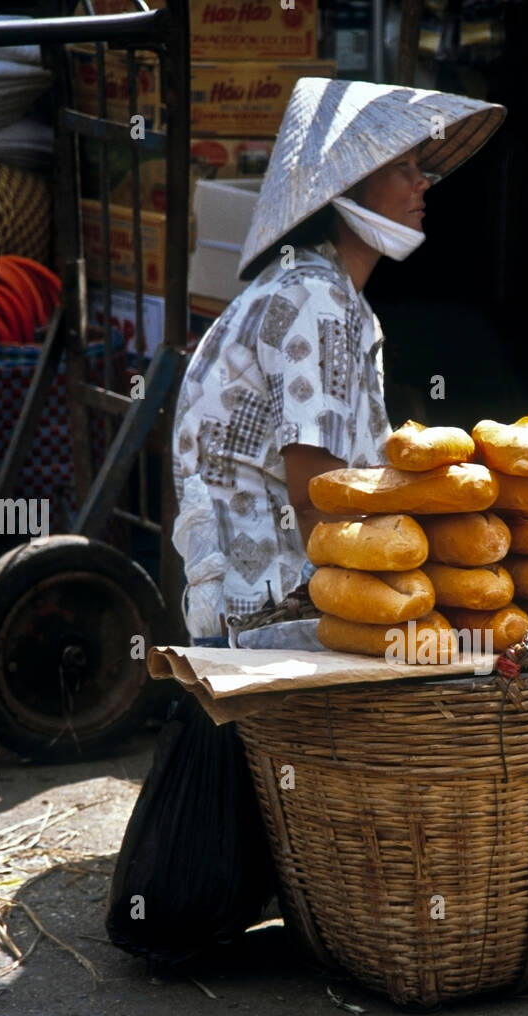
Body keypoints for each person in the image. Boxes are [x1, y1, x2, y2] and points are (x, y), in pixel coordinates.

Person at [171, 77, 505, 644]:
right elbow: (316, 499)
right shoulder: (313, 299)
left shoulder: (340, 299)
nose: (423, 183)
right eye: (403, 167)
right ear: (348, 185)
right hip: (262, 610)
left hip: (272, 592)